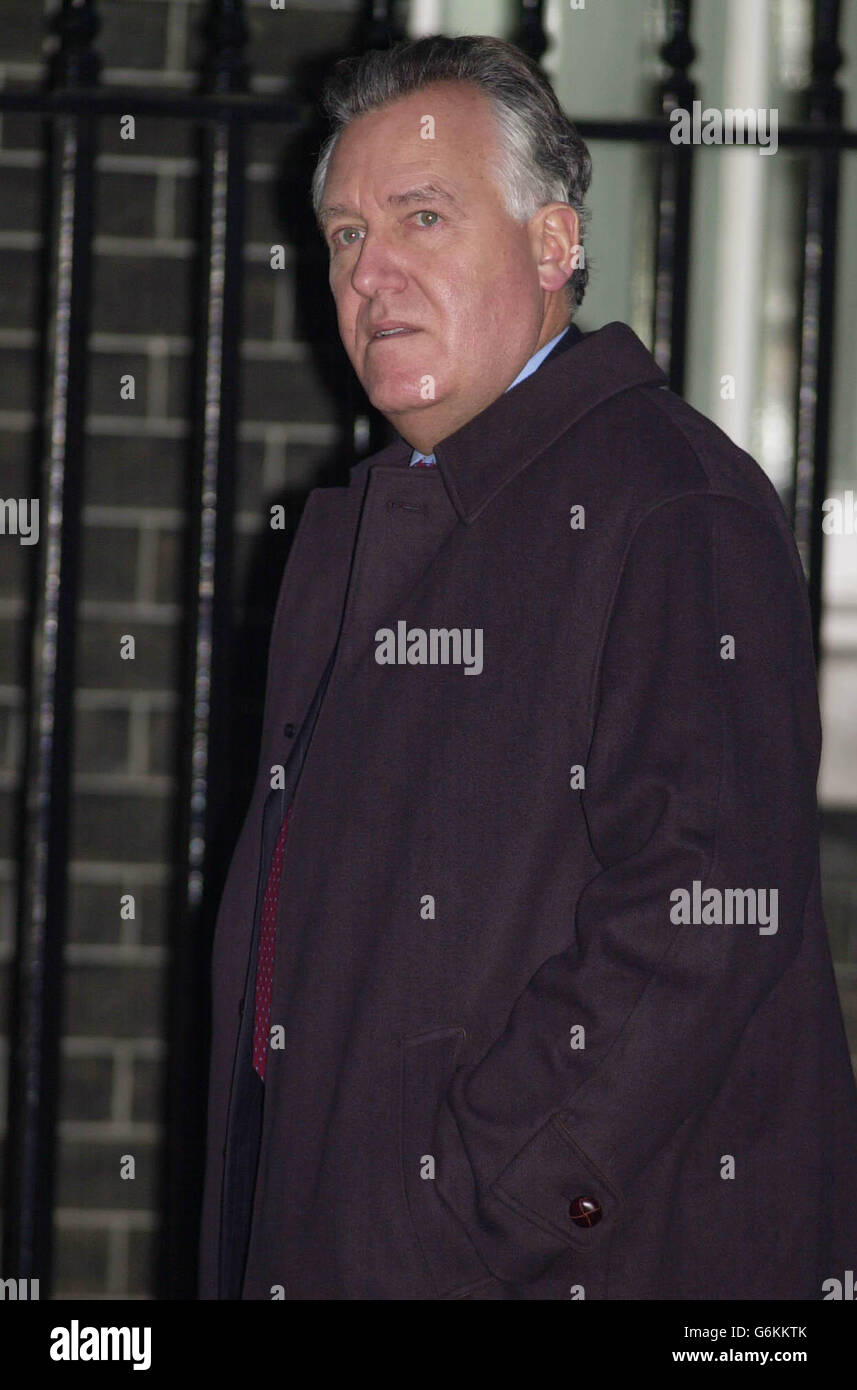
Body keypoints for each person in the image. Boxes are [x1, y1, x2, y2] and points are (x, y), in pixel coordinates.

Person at [199, 34, 857, 1300]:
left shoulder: (670, 502)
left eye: (421, 217)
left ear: (553, 247)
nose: (368, 273)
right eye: (342, 235)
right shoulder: (391, 523)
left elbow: (705, 909)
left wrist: (471, 1203)